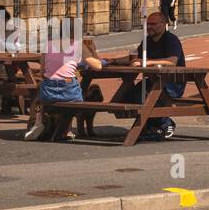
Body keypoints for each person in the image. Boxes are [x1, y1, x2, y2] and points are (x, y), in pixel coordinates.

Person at [108, 12, 186, 141]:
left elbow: (172, 62)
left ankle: (165, 122)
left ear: (163, 25)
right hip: (153, 80)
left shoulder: (171, 39)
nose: (149, 27)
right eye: (148, 24)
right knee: (131, 93)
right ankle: (149, 125)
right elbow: (134, 58)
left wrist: (146, 62)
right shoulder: (147, 40)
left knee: (143, 92)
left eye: (153, 24)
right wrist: (113, 61)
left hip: (171, 83)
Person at [25, 38, 104, 142]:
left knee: (42, 91)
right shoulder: (78, 44)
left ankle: (39, 121)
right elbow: (98, 66)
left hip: (48, 94)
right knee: (74, 97)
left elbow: (42, 72)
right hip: (69, 92)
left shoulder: (48, 44)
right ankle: (66, 130)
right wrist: (93, 50)